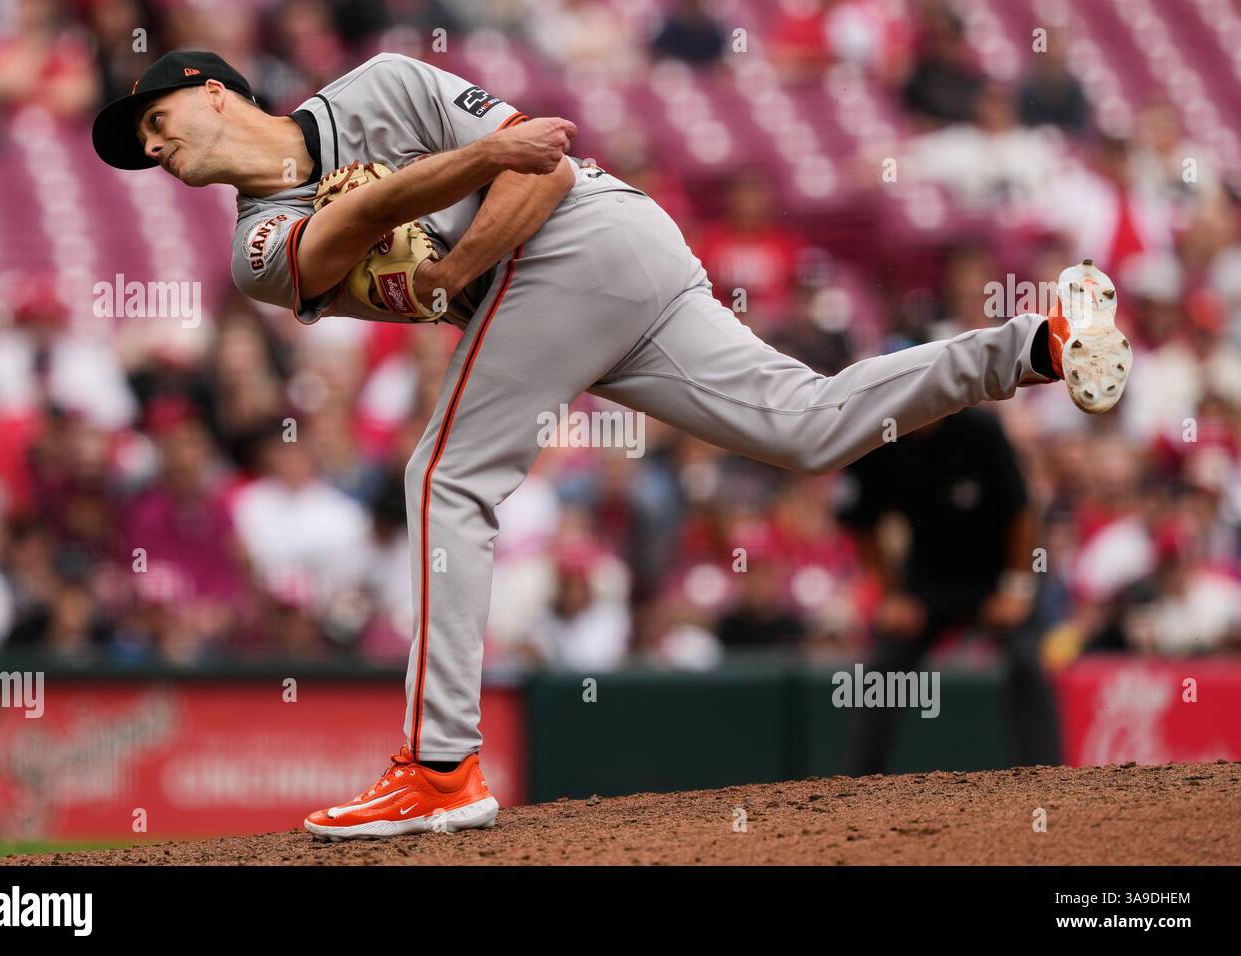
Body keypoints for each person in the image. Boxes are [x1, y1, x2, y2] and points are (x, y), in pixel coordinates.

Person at [91, 50, 1131, 840]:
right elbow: (337, 236)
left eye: (152, 117)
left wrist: (471, 240)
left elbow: (541, 174)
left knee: (446, 476)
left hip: (595, 236)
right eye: (135, 141)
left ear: (213, 90)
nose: (148, 143)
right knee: (806, 429)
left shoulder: (386, 83)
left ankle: (440, 765)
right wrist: (473, 189)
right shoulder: (252, 249)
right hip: (554, 287)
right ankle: (1033, 342)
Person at [838, 408, 1062, 774]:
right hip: (928, 580)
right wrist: (892, 596)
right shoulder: (878, 437)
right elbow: (863, 523)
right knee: (880, 670)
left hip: (999, 574)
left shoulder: (980, 428)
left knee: (1026, 661)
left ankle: (1047, 778)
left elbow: (1021, 512)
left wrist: (1017, 589)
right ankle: (858, 785)